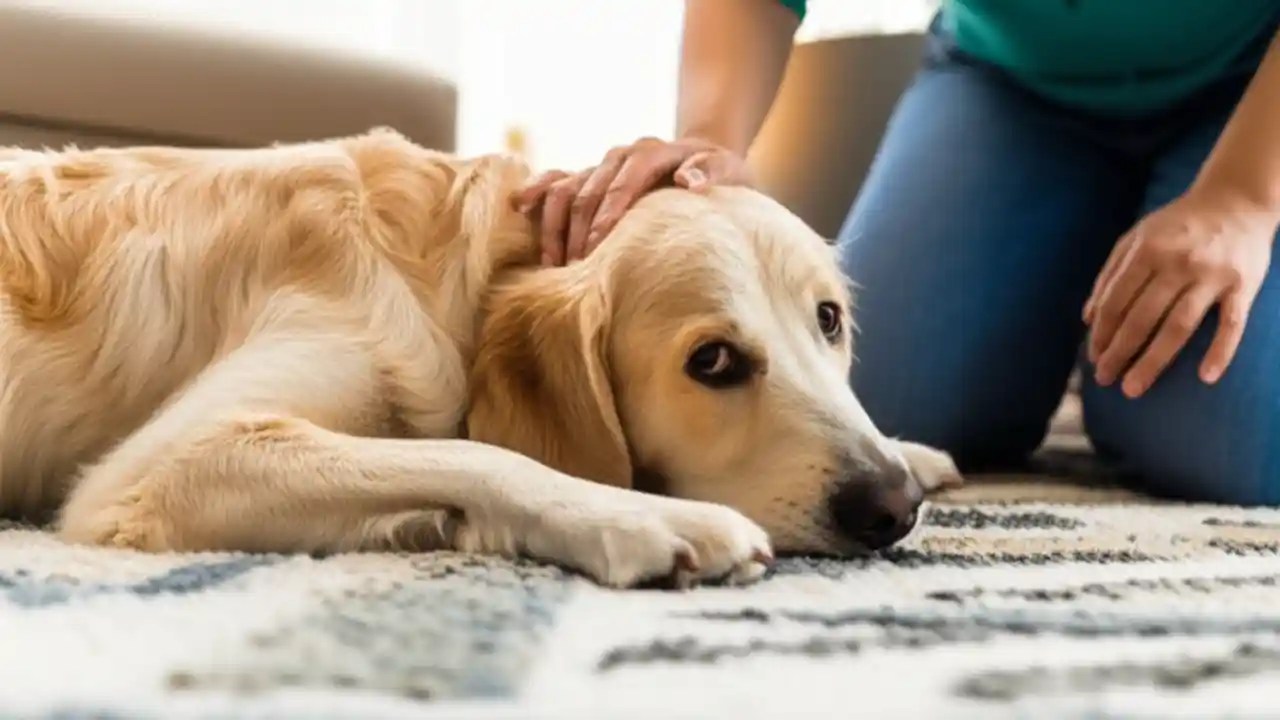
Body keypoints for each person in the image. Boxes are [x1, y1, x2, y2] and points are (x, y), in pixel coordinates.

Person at [513, 0, 1280, 506]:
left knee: (1224, 441)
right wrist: (710, 139)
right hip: (1015, 82)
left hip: (1254, 84)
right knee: (883, 402)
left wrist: (1244, 196)